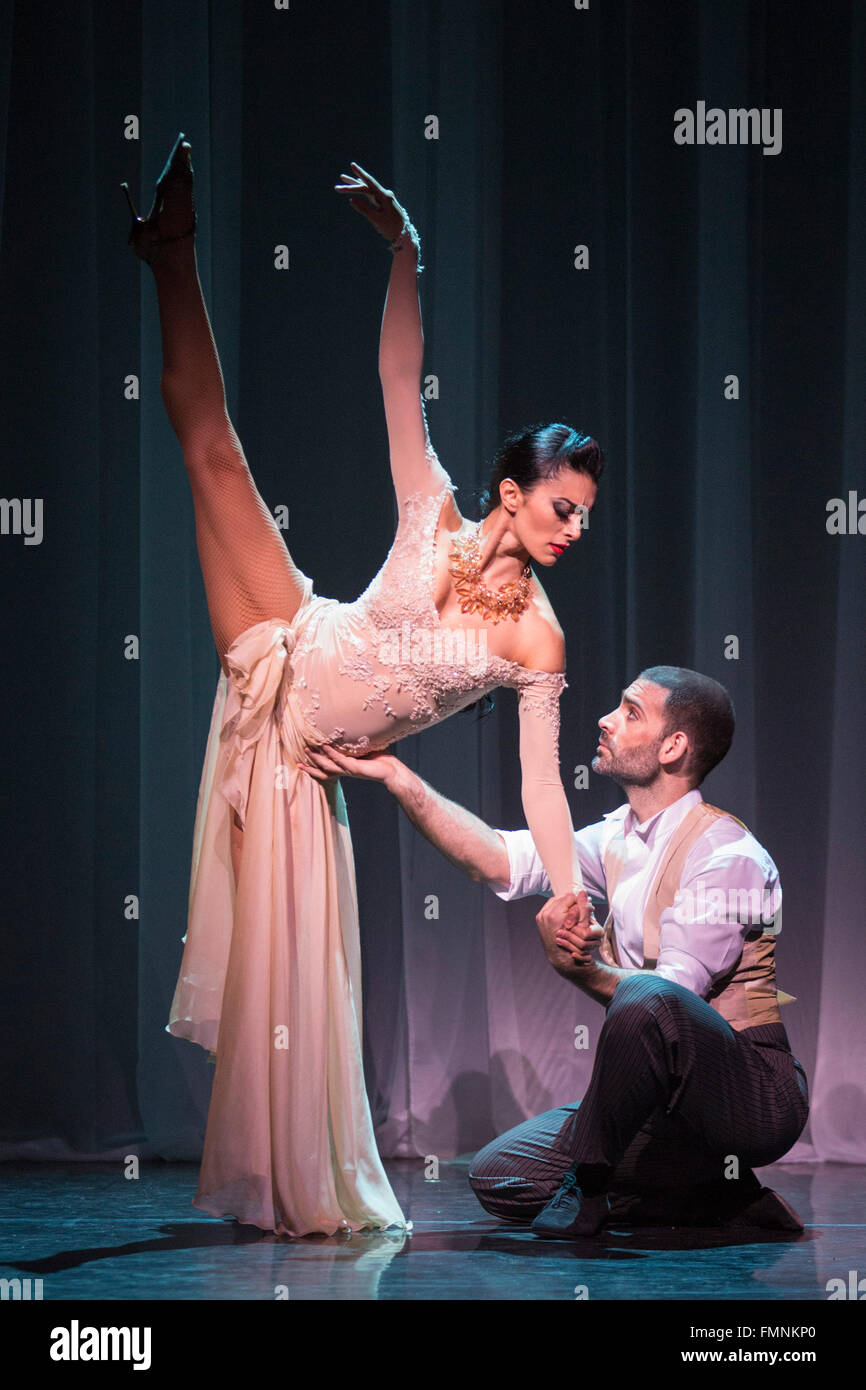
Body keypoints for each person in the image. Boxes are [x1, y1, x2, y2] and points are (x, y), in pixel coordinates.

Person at [121, 133, 603, 1237]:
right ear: (509, 491)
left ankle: (289, 1190)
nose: (573, 528)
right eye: (560, 505)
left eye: (583, 514)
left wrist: (565, 887)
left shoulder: (538, 637)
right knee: (213, 455)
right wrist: (407, 251)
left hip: (308, 769)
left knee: (290, 1019)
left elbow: (539, 789)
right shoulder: (431, 505)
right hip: (286, 636)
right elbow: (397, 376)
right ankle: (168, 250)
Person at [301, 666, 810, 1235]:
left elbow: (669, 999)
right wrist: (399, 778)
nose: (606, 719)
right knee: (502, 1175)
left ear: (674, 747)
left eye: (630, 711)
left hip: (749, 1094)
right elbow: (499, 858)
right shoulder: (619, 837)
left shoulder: (726, 855)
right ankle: (719, 1195)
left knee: (647, 995)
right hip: (669, 1103)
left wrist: (581, 970)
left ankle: (596, 1187)